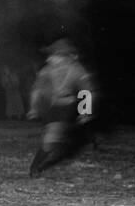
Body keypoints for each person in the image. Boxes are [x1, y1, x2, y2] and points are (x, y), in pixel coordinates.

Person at [28, 38, 89, 176]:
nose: (50, 59)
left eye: (53, 55)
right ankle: (35, 166)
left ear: (62, 57)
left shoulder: (76, 69)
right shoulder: (47, 70)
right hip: (51, 106)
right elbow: (36, 89)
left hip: (67, 107)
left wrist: (84, 111)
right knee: (51, 139)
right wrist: (33, 108)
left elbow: (86, 90)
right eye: (50, 56)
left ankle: (35, 167)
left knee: (53, 137)